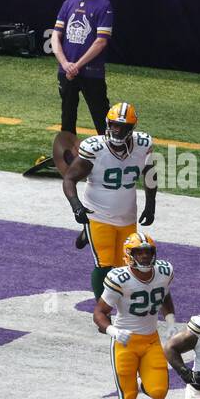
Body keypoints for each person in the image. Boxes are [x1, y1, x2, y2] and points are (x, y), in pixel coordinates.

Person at [60, 102, 156, 299]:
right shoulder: (95, 148)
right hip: (97, 211)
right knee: (104, 263)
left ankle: (87, 235)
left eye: (123, 127)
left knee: (126, 264)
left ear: (132, 128)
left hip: (127, 213)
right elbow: (69, 178)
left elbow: (149, 174)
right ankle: (102, 309)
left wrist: (151, 204)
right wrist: (77, 206)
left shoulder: (143, 145)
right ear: (108, 124)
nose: (117, 130)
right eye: (114, 125)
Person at [91, 233, 176, 399]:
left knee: (159, 392)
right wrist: (113, 330)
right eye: (140, 252)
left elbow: (163, 294)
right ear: (130, 255)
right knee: (127, 397)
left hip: (151, 340)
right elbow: (99, 312)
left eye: (148, 252)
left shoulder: (164, 271)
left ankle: (138, 385)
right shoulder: (119, 278)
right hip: (124, 342)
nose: (145, 257)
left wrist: (170, 320)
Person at [53, 0, 113, 135]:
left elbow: (101, 41)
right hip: (67, 71)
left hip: (91, 72)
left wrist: (76, 65)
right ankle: (67, 158)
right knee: (67, 118)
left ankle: (110, 156)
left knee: (101, 117)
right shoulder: (68, 4)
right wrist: (65, 64)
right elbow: (56, 36)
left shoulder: (104, 5)